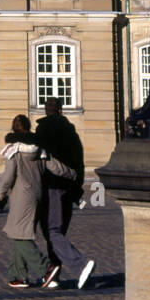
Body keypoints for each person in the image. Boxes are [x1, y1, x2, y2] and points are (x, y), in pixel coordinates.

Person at [0, 114, 72, 288]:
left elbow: (9, 175)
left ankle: (46, 269)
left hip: (21, 196)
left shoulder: (14, 149)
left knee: (20, 235)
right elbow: (55, 166)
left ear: (14, 128)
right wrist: (72, 174)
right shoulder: (39, 148)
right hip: (38, 194)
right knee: (19, 232)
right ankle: (18, 275)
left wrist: (1, 195)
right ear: (29, 127)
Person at [35, 97, 96, 289]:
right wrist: (77, 188)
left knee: (52, 231)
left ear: (48, 111)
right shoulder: (72, 132)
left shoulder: (43, 130)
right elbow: (80, 162)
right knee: (57, 231)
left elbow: (39, 158)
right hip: (69, 187)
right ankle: (54, 275)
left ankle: (81, 263)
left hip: (52, 186)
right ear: (61, 111)